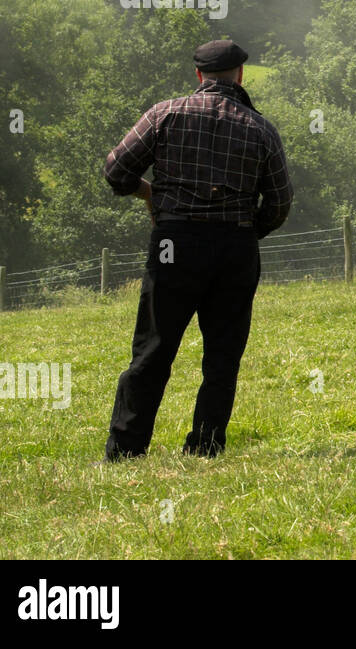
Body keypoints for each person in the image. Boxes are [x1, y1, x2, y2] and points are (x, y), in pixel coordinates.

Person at [101, 39, 293, 460]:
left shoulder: (164, 114)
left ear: (198, 75)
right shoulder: (261, 130)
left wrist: (149, 194)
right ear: (240, 76)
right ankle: (205, 447)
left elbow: (116, 171)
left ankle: (126, 449)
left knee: (153, 350)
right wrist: (243, 234)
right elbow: (279, 203)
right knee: (222, 356)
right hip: (235, 248)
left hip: (175, 243)